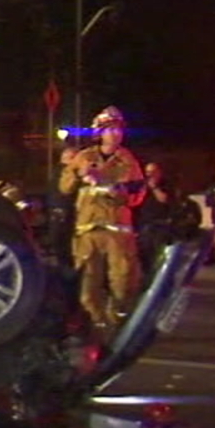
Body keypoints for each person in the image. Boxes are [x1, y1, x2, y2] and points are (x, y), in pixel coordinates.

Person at [71, 106, 144, 334]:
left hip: (117, 232)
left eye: (118, 130)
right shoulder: (84, 157)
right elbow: (64, 187)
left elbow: (136, 194)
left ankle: (119, 324)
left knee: (123, 283)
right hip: (87, 231)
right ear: (100, 133)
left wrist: (108, 184)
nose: (115, 134)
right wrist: (79, 173)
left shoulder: (128, 161)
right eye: (110, 130)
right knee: (87, 285)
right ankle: (96, 324)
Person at [131, 161, 185, 278]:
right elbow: (135, 204)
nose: (150, 175)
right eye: (148, 172)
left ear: (159, 173)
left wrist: (154, 188)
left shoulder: (166, 186)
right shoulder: (142, 187)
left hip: (161, 227)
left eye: (153, 172)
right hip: (144, 226)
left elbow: (164, 199)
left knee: (158, 258)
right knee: (144, 257)